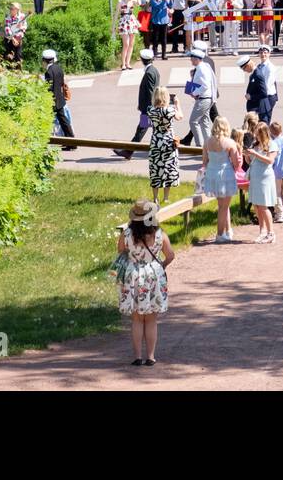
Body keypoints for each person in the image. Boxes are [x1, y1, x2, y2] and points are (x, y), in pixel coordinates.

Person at [117, 200, 175, 366]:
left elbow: (120, 251)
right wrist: (160, 266)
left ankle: (137, 356)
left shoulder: (127, 233)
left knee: (136, 319)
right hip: (153, 276)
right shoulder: (159, 234)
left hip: (133, 275)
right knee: (151, 320)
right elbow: (170, 255)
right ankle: (150, 356)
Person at [201, 116, 243, 243]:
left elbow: (204, 161)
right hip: (225, 174)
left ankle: (226, 230)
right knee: (223, 207)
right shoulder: (230, 143)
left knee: (223, 205)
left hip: (212, 173)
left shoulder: (207, 142)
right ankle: (219, 234)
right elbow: (236, 164)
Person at [242, 122, 279, 243]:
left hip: (265, 178)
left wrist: (255, 154)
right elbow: (250, 161)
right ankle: (262, 231)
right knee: (256, 205)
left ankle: (271, 233)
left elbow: (270, 161)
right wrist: (247, 155)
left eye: (258, 134)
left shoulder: (272, 145)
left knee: (264, 206)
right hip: (255, 177)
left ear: (263, 133)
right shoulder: (255, 144)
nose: (255, 136)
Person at [145, 88, 181, 204]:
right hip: (168, 141)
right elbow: (180, 116)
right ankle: (166, 198)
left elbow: (147, 121)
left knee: (155, 168)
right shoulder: (169, 110)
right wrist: (177, 104)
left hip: (156, 140)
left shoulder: (150, 110)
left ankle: (155, 197)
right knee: (168, 168)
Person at [41, 49, 75, 145]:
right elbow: (61, 83)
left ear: (44, 60)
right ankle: (71, 142)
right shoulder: (58, 68)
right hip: (60, 99)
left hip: (52, 100)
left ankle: (50, 141)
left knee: (47, 120)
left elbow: (49, 87)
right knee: (64, 121)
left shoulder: (48, 72)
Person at [185, 47, 216, 148]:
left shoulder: (202, 69)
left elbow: (205, 85)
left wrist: (195, 92)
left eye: (191, 58)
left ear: (196, 59)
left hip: (203, 99)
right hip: (206, 98)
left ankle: (199, 146)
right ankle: (208, 146)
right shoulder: (202, 67)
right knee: (204, 122)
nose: (190, 60)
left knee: (193, 121)